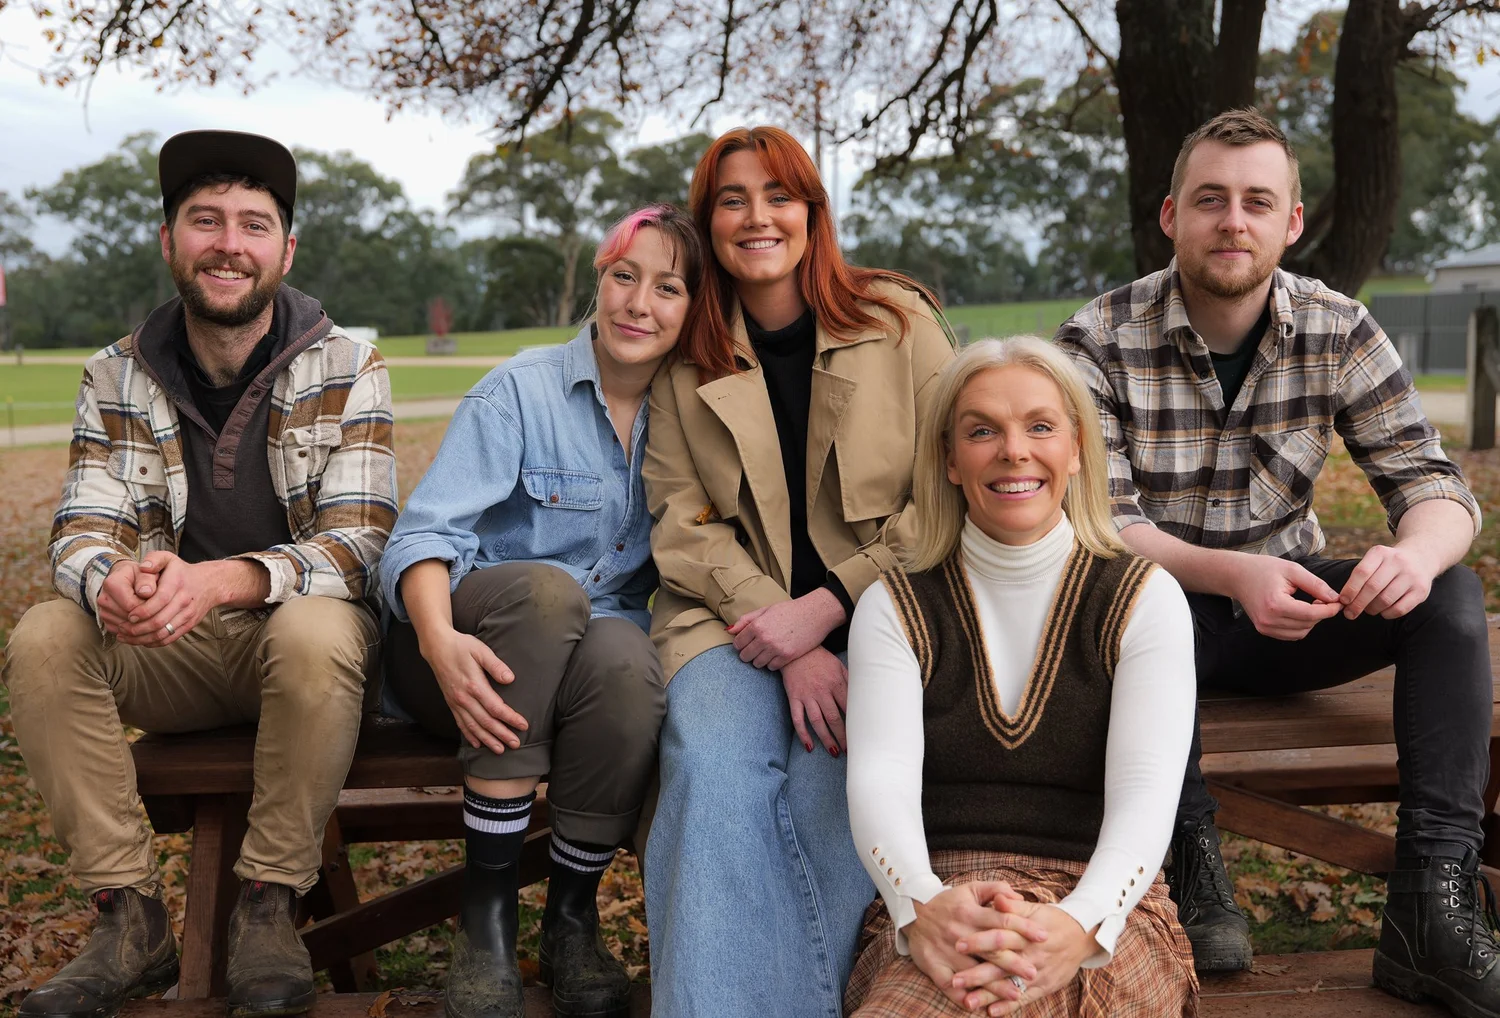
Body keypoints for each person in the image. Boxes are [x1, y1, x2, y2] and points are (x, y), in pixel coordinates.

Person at [1055, 108, 1496, 1014]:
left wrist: (1412, 555)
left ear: (1291, 222)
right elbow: (1101, 521)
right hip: (1143, 629)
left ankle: (1432, 904)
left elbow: (1438, 487)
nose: (1234, 221)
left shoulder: (1339, 328)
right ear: (1172, 215)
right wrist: (1231, 574)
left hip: (1289, 615)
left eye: (1259, 201)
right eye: (1211, 200)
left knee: (1450, 597)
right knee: (1131, 596)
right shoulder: (1096, 338)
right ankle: (1191, 863)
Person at [3, 130, 396, 1018]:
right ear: (169, 238)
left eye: (254, 225)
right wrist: (111, 579)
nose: (229, 242)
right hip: (173, 654)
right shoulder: (115, 372)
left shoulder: (350, 364)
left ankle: (268, 902)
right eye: (205, 220)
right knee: (45, 632)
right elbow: (79, 527)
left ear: (285, 250)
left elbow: (358, 543)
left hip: (306, 666)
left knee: (320, 623)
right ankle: (128, 914)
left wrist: (220, 580)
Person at [641, 125, 957, 1018]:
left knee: (834, 783)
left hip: (886, 615)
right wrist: (782, 634)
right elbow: (683, 521)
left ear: (813, 214)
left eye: (779, 196)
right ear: (709, 223)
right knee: (712, 771)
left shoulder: (899, 325)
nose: (757, 217)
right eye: (732, 200)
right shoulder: (683, 356)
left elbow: (943, 496)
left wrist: (827, 609)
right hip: (726, 622)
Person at [379, 204, 701, 1018]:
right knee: (551, 592)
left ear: (694, 310)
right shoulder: (518, 393)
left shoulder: (697, 421)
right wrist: (439, 640)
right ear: (599, 280)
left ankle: (569, 916)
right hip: (461, 655)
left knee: (630, 656)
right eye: (624, 277)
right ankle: (486, 916)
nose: (638, 303)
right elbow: (422, 537)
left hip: (583, 670)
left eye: (667, 287)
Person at [841, 337, 1198, 1018]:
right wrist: (921, 907)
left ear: (1076, 449)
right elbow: (879, 781)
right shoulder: (894, 605)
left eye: (1040, 426)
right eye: (982, 431)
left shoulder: (1144, 599)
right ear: (948, 459)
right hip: (941, 903)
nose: (1014, 451)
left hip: (1106, 906)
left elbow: (1147, 795)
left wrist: (1080, 923)